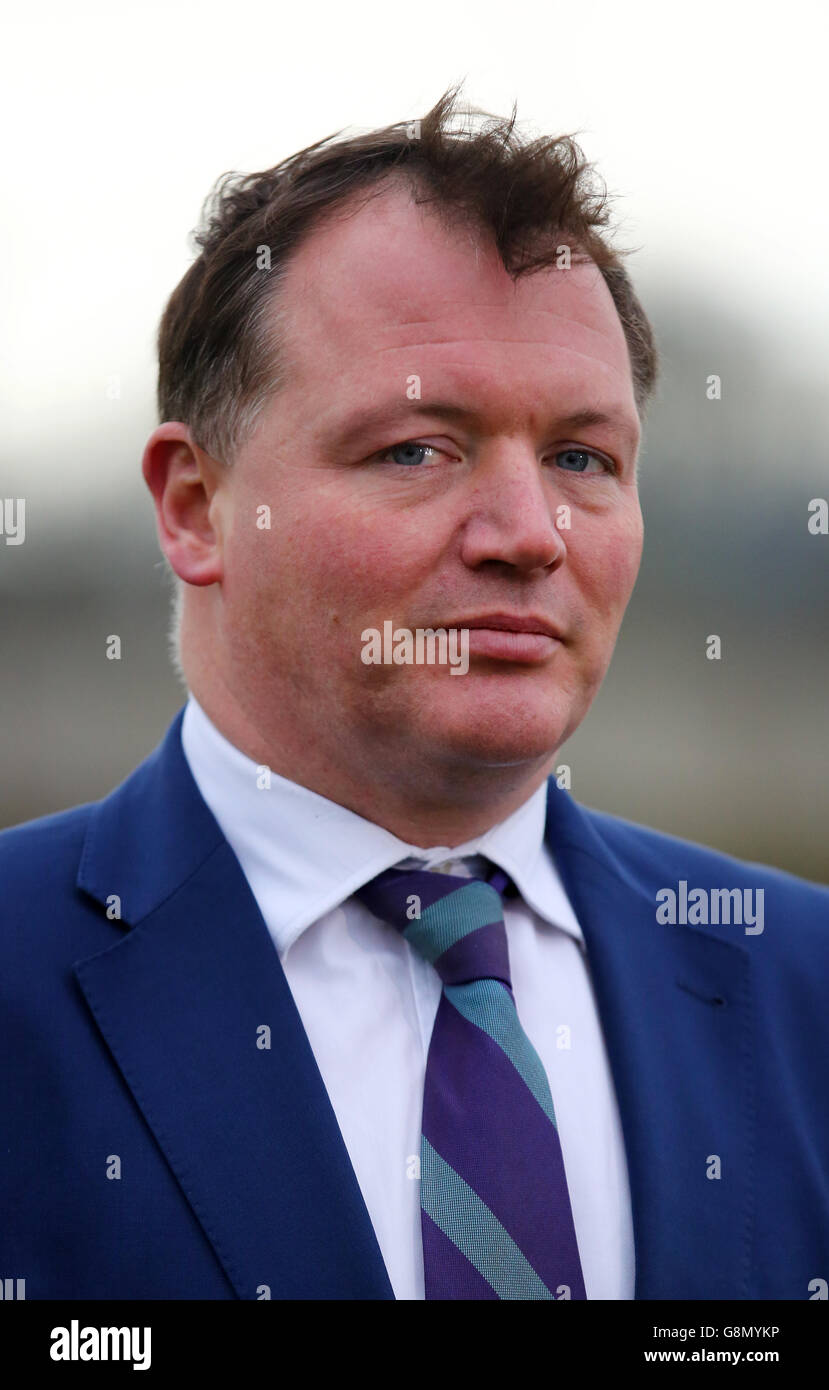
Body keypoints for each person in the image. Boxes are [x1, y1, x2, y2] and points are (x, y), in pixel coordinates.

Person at [2, 86, 827, 1302]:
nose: (527, 535)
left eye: (580, 459)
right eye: (415, 449)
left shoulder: (802, 984)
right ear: (195, 506)